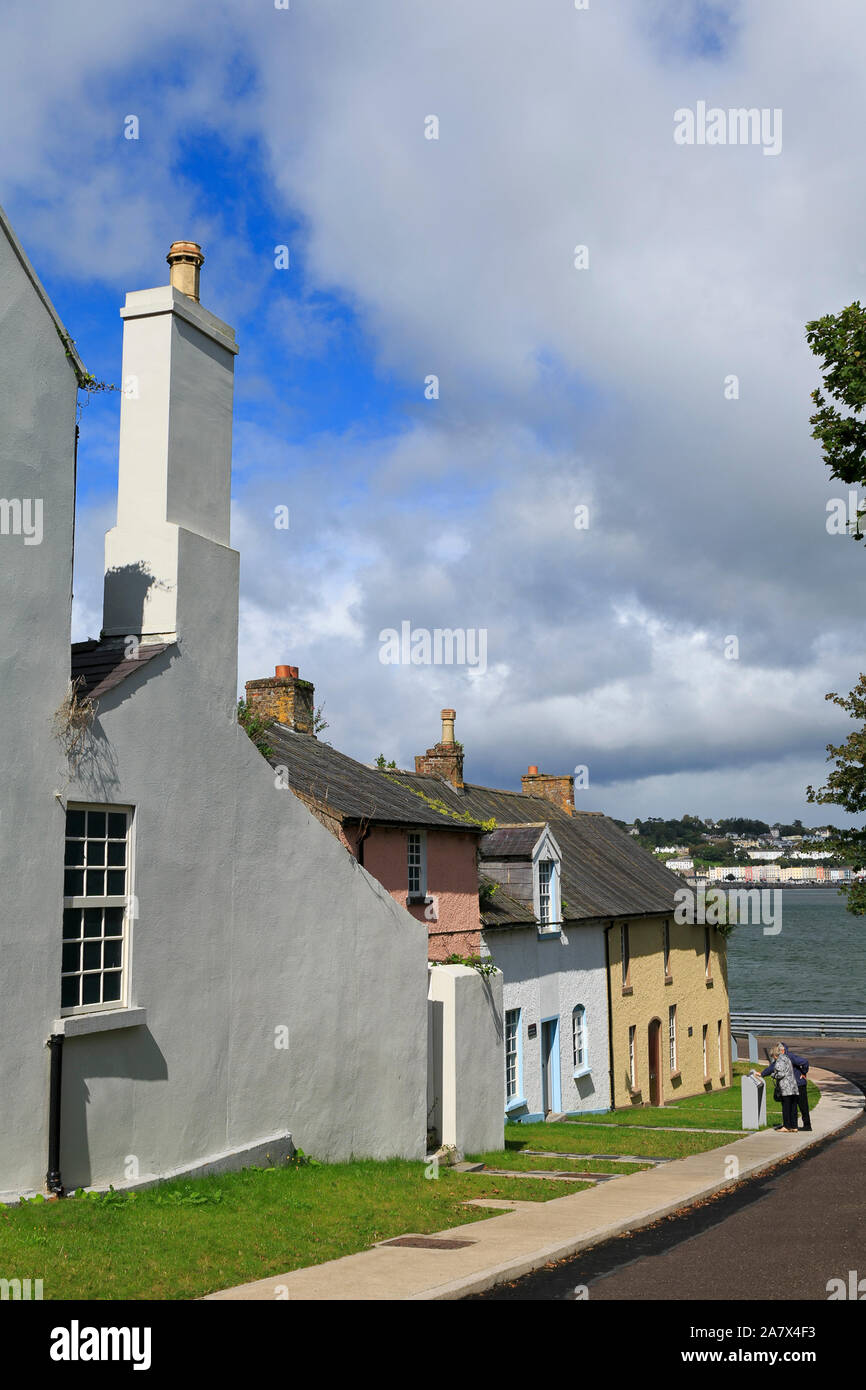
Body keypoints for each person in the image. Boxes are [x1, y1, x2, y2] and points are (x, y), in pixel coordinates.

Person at [761, 1043, 799, 1132]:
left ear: (775, 1055)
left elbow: (781, 1074)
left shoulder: (779, 1061)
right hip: (793, 1086)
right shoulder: (786, 1058)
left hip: (786, 1088)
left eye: (773, 1056)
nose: (773, 1058)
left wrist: (773, 1075)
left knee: (786, 1107)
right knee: (793, 1107)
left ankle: (786, 1126)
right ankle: (794, 1126)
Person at [781, 1043, 811, 1131]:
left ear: (783, 1050)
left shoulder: (790, 1057)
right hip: (791, 1085)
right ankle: (793, 1126)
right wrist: (762, 1074)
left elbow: (805, 1062)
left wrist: (804, 1072)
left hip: (799, 1084)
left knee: (803, 1106)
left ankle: (807, 1125)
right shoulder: (781, 1058)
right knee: (792, 1106)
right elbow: (772, 1067)